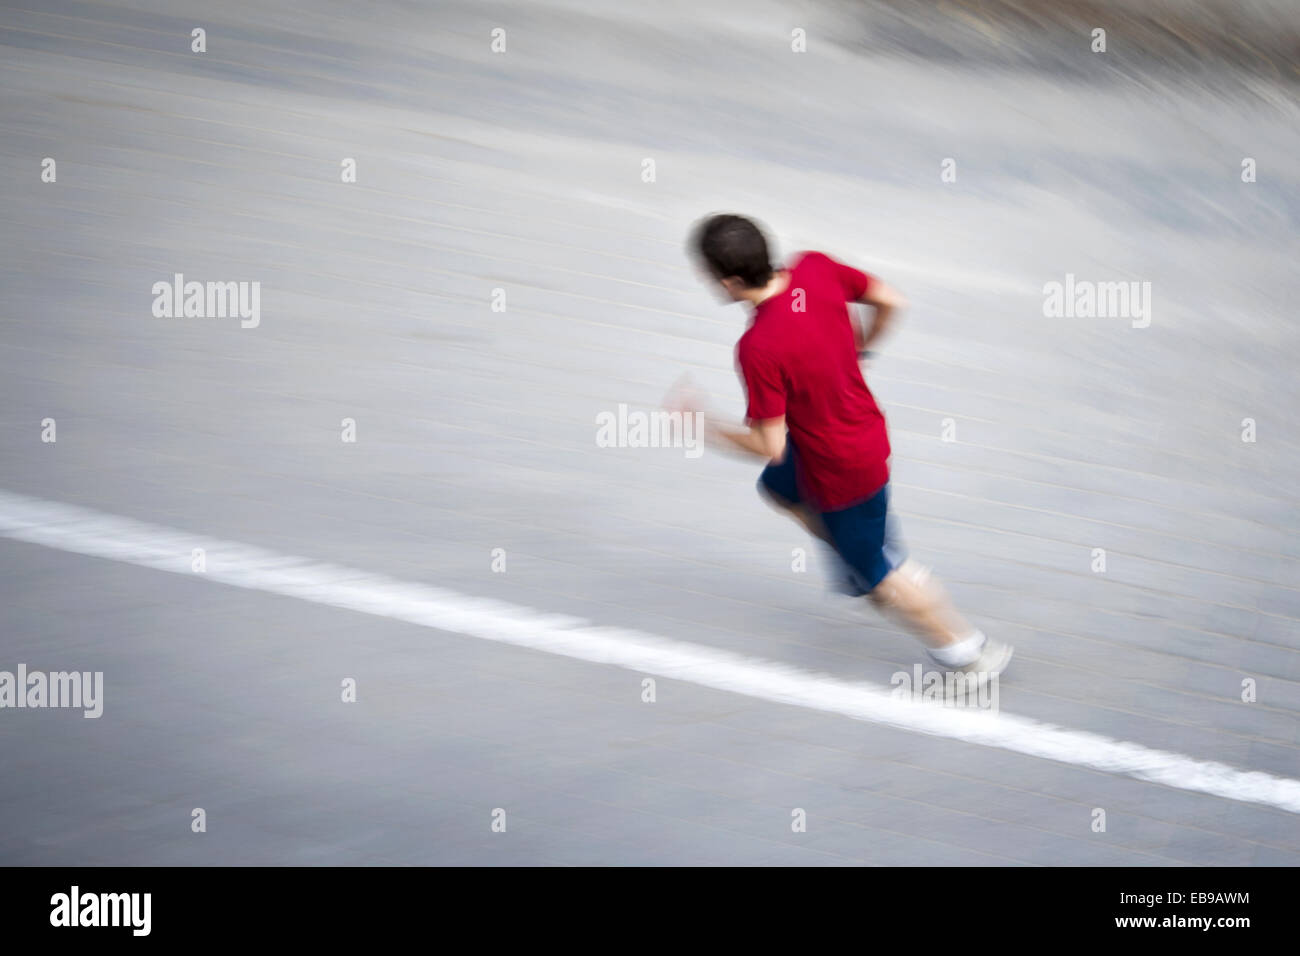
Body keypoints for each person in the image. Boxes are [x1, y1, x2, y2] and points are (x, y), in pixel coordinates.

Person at [669, 214, 1012, 679]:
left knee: (881, 579)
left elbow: (769, 442)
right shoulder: (814, 267)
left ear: (728, 281)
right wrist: (862, 349)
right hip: (836, 441)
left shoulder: (758, 347)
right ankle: (856, 549)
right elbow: (892, 300)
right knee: (779, 488)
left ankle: (968, 653)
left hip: (842, 468)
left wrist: (704, 427)